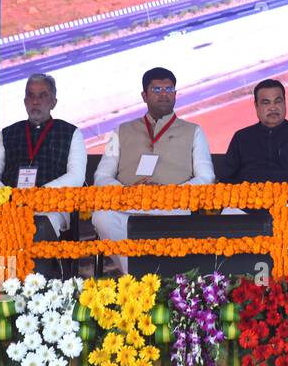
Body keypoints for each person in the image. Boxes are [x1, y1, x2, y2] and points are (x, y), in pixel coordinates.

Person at [92, 67, 215, 272]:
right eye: (157, 89)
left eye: (169, 89)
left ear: (175, 94)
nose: (164, 94)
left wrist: (172, 193)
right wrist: (127, 193)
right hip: (129, 206)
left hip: (172, 206)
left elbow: (206, 176)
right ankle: (134, 275)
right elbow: (102, 175)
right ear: (144, 95)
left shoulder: (194, 131)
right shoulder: (121, 130)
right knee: (101, 216)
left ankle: (151, 277)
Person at [218, 79, 288, 244]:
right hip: (248, 206)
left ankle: (287, 271)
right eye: (266, 102)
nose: (273, 107)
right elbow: (226, 179)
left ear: (285, 103)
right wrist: (250, 197)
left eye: (278, 101)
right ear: (256, 107)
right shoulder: (242, 137)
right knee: (227, 219)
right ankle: (237, 271)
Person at [0, 74, 87, 238]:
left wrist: (40, 194)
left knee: (37, 226)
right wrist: (9, 196)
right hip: (9, 204)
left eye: (42, 95)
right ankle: (4, 264)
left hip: (51, 206)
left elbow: (76, 176)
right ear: (25, 101)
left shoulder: (70, 133)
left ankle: (32, 264)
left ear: (53, 102)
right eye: (30, 95)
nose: (35, 101)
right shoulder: (6, 134)